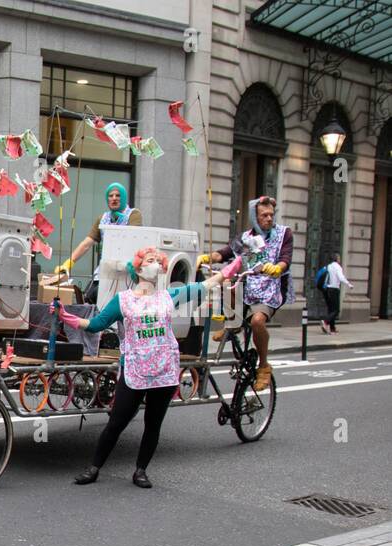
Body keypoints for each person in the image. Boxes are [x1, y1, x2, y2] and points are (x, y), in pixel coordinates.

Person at [61, 246, 225, 489]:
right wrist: (67, 317)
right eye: (150, 260)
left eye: (158, 261)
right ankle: (94, 468)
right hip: (135, 370)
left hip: (164, 371)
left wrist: (229, 270)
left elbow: (202, 287)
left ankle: (141, 470)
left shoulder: (169, 295)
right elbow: (96, 324)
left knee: (153, 423)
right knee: (117, 421)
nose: (156, 265)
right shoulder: (123, 300)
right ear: (138, 267)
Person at [200, 195, 292, 390]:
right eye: (263, 215)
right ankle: (233, 324)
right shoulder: (246, 238)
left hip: (271, 289)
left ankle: (264, 366)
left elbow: (286, 258)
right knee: (226, 286)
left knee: (258, 321)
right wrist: (207, 257)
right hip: (250, 285)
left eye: (271, 215)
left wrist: (278, 268)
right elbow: (224, 253)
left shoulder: (284, 234)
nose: (268, 218)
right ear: (254, 217)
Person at [55, 182, 143, 298]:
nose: (114, 198)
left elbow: (134, 238)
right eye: (110, 196)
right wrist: (68, 263)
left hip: (125, 271)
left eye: (118, 195)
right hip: (106, 268)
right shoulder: (103, 218)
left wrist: (122, 223)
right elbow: (86, 243)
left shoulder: (134, 214)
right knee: (88, 297)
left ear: (124, 197)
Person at [320, 251, 353, 334]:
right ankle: (325, 321)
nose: (340, 259)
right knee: (336, 310)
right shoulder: (337, 267)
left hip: (327, 289)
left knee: (331, 310)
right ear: (336, 259)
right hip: (334, 290)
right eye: (339, 258)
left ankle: (332, 329)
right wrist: (349, 284)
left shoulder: (328, 266)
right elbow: (341, 278)